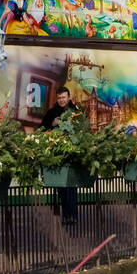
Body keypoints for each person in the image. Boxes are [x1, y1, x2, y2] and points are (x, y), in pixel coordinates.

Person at [42, 87, 79, 224]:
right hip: (57, 156)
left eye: (64, 97)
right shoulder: (51, 113)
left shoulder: (75, 112)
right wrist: (53, 124)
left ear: (69, 97)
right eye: (59, 98)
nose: (61, 100)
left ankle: (73, 215)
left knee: (71, 186)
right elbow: (42, 129)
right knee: (61, 187)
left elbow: (83, 129)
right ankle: (65, 216)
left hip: (72, 155)